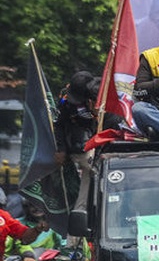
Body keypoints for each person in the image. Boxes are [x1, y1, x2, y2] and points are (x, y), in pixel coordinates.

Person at [54, 72, 126, 212]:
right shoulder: (67, 102)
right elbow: (59, 124)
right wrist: (61, 149)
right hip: (78, 149)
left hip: (103, 157)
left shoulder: (111, 114)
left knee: (93, 175)